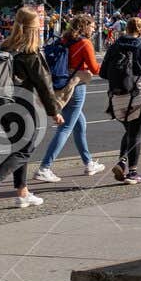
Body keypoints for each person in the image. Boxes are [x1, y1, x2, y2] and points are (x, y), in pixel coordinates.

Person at [0, 7, 65, 213]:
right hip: (24, 107)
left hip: (3, 106)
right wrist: (54, 111)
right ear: (35, 27)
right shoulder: (32, 53)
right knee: (25, 150)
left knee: (18, 148)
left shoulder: (4, 47)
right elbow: (44, 85)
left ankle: (22, 193)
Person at [33, 13, 107, 183]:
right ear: (84, 26)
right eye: (92, 26)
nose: (94, 28)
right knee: (65, 128)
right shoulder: (85, 43)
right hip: (76, 86)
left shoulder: (65, 40)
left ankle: (88, 163)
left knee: (80, 124)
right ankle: (44, 167)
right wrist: (110, 65)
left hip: (61, 85)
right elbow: (95, 69)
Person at [101, 16, 141, 184]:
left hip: (118, 95)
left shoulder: (114, 46)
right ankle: (133, 173)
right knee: (135, 134)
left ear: (126, 28)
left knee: (130, 131)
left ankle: (122, 163)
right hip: (140, 94)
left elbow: (102, 73)